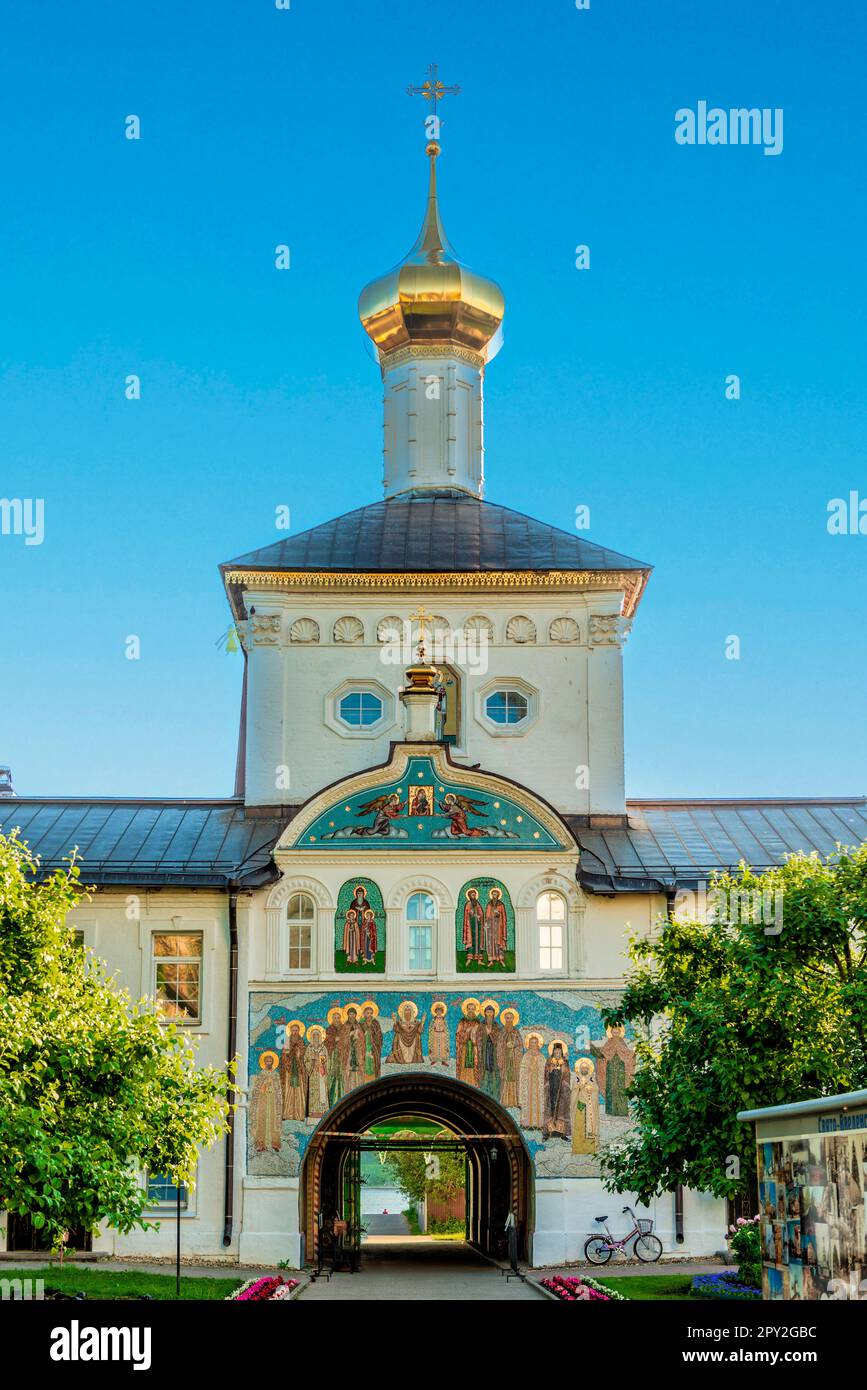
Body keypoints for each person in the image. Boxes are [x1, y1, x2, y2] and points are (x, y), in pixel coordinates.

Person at [250, 1051, 282, 1152]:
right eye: (267, 1061)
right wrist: (263, 1088)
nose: (269, 1062)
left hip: (273, 1101)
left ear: (273, 1062)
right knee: (262, 1121)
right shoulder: (261, 1074)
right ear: (264, 1062)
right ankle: (261, 1144)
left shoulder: (276, 1075)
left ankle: (274, 1143)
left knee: (273, 1121)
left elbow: (278, 1089)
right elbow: (257, 1088)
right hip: (263, 1100)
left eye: (270, 1061)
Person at [543, 1041, 572, 1139]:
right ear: (553, 1052)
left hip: (561, 1090)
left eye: (559, 1051)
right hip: (551, 1090)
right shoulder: (549, 1061)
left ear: (562, 1052)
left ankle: (562, 1133)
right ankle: (548, 1132)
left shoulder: (565, 1061)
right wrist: (550, 1069)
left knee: (561, 1110)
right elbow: (546, 1073)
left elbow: (567, 1075)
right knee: (550, 1110)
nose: (557, 1053)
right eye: (556, 1051)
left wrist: (564, 1068)